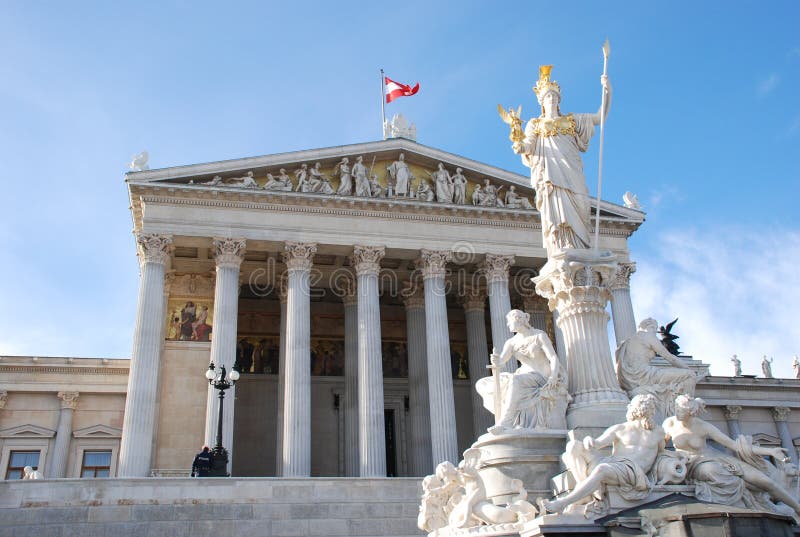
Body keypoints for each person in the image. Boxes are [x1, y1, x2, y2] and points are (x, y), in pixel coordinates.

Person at [512, 65, 611, 254]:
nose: (551, 99)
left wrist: (607, 91)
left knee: (582, 206)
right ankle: (561, 249)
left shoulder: (573, 120)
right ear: (542, 101)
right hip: (550, 176)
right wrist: (519, 145)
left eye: (554, 96)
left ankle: (580, 250)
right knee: (557, 216)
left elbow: (599, 118)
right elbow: (528, 146)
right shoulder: (535, 124)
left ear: (559, 100)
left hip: (571, 171)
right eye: (547, 96)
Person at [663, 395, 800, 516]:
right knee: (711, 470)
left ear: (691, 413)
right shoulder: (669, 423)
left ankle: (797, 508)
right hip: (695, 463)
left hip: (718, 458)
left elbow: (734, 445)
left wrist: (769, 451)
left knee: (766, 482)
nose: (677, 413)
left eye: (681, 410)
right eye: (677, 409)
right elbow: (660, 445)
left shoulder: (704, 427)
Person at [541, 394, 664, 514]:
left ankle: (563, 502)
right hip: (614, 464)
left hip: (632, 471)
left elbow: (663, 454)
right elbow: (598, 443)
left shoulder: (658, 432)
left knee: (602, 469)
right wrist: (589, 439)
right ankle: (587, 493)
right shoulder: (621, 428)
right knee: (573, 446)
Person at [475, 309, 569, 432]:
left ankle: (506, 421)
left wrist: (553, 376)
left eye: (509, 321)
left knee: (515, 380)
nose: (508, 324)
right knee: (482, 384)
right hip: (524, 376)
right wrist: (495, 360)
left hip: (541, 376)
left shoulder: (539, 336)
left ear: (518, 320)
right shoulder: (511, 343)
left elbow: (553, 357)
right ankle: (507, 414)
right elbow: (501, 362)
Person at [615, 318, 698, 418]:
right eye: (655, 328)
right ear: (652, 327)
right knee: (690, 375)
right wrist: (689, 369)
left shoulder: (627, 341)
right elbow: (671, 358)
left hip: (628, 381)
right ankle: (684, 412)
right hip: (644, 375)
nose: (656, 332)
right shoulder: (648, 336)